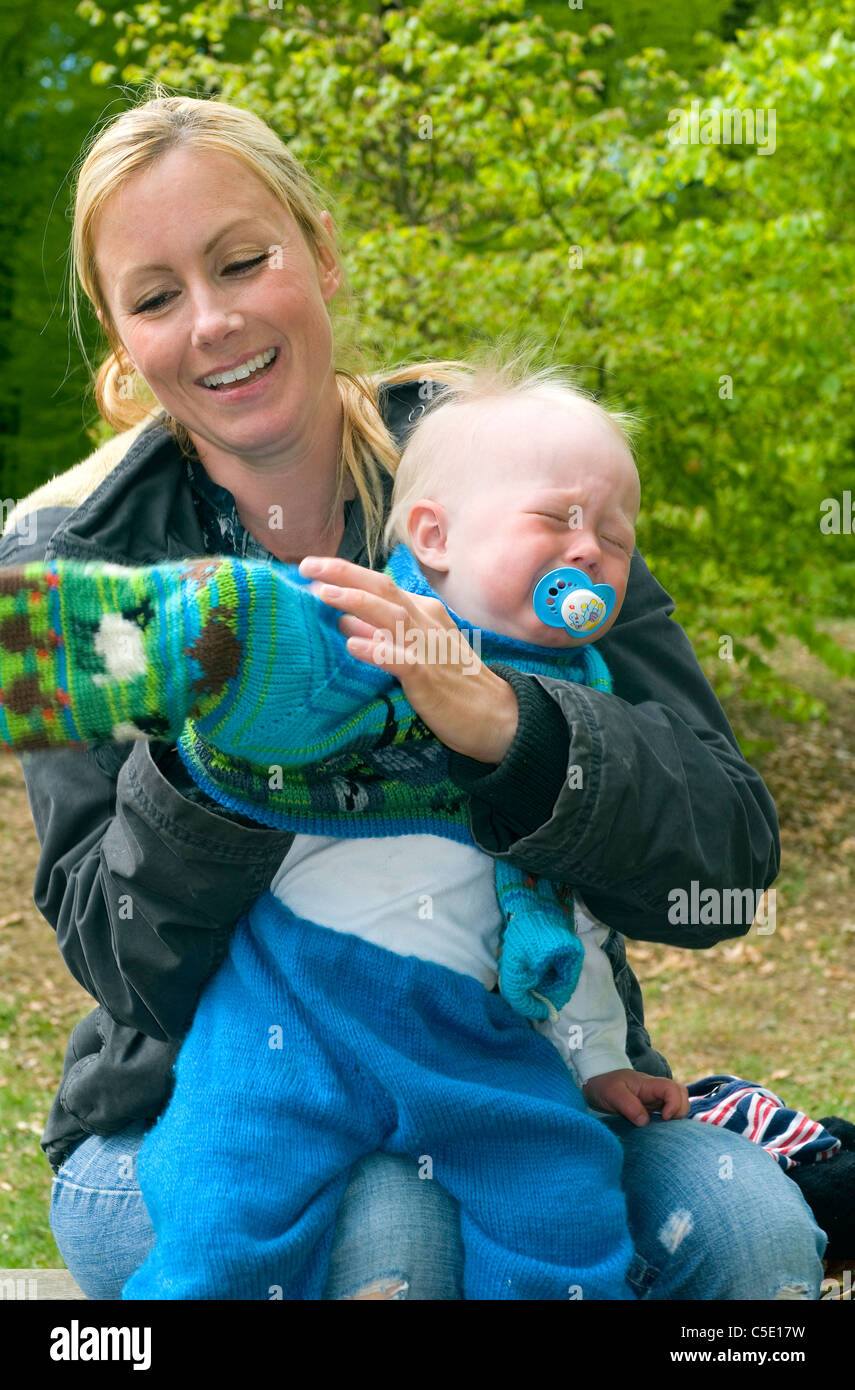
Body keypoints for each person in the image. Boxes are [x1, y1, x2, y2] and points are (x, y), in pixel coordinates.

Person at [0, 91, 826, 1299]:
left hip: (514, 1066)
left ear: (323, 252)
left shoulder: (523, 477)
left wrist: (511, 730)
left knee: (747, 1224)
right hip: (188, 1106)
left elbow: (731, 870)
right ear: (125, 340)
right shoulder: (62, 561)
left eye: (245, 260)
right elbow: (126, 971)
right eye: (159, 295)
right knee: (396, 1222)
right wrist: (234, 759)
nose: (217, 319)